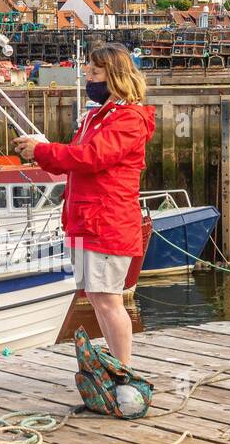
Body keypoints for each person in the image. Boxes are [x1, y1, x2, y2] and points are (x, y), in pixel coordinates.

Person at [12, 43, 155, 368]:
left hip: (108, 222)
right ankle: (117, 366)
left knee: (107, 299)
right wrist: (41, 151)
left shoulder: (129, 119)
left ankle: (124, 369)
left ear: (115, 75)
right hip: (86, 220)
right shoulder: (97, 116)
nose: (87, 77)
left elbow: (92, 158)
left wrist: (43, 151)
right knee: (96, 297)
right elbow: (74, 161)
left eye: (94, 72)